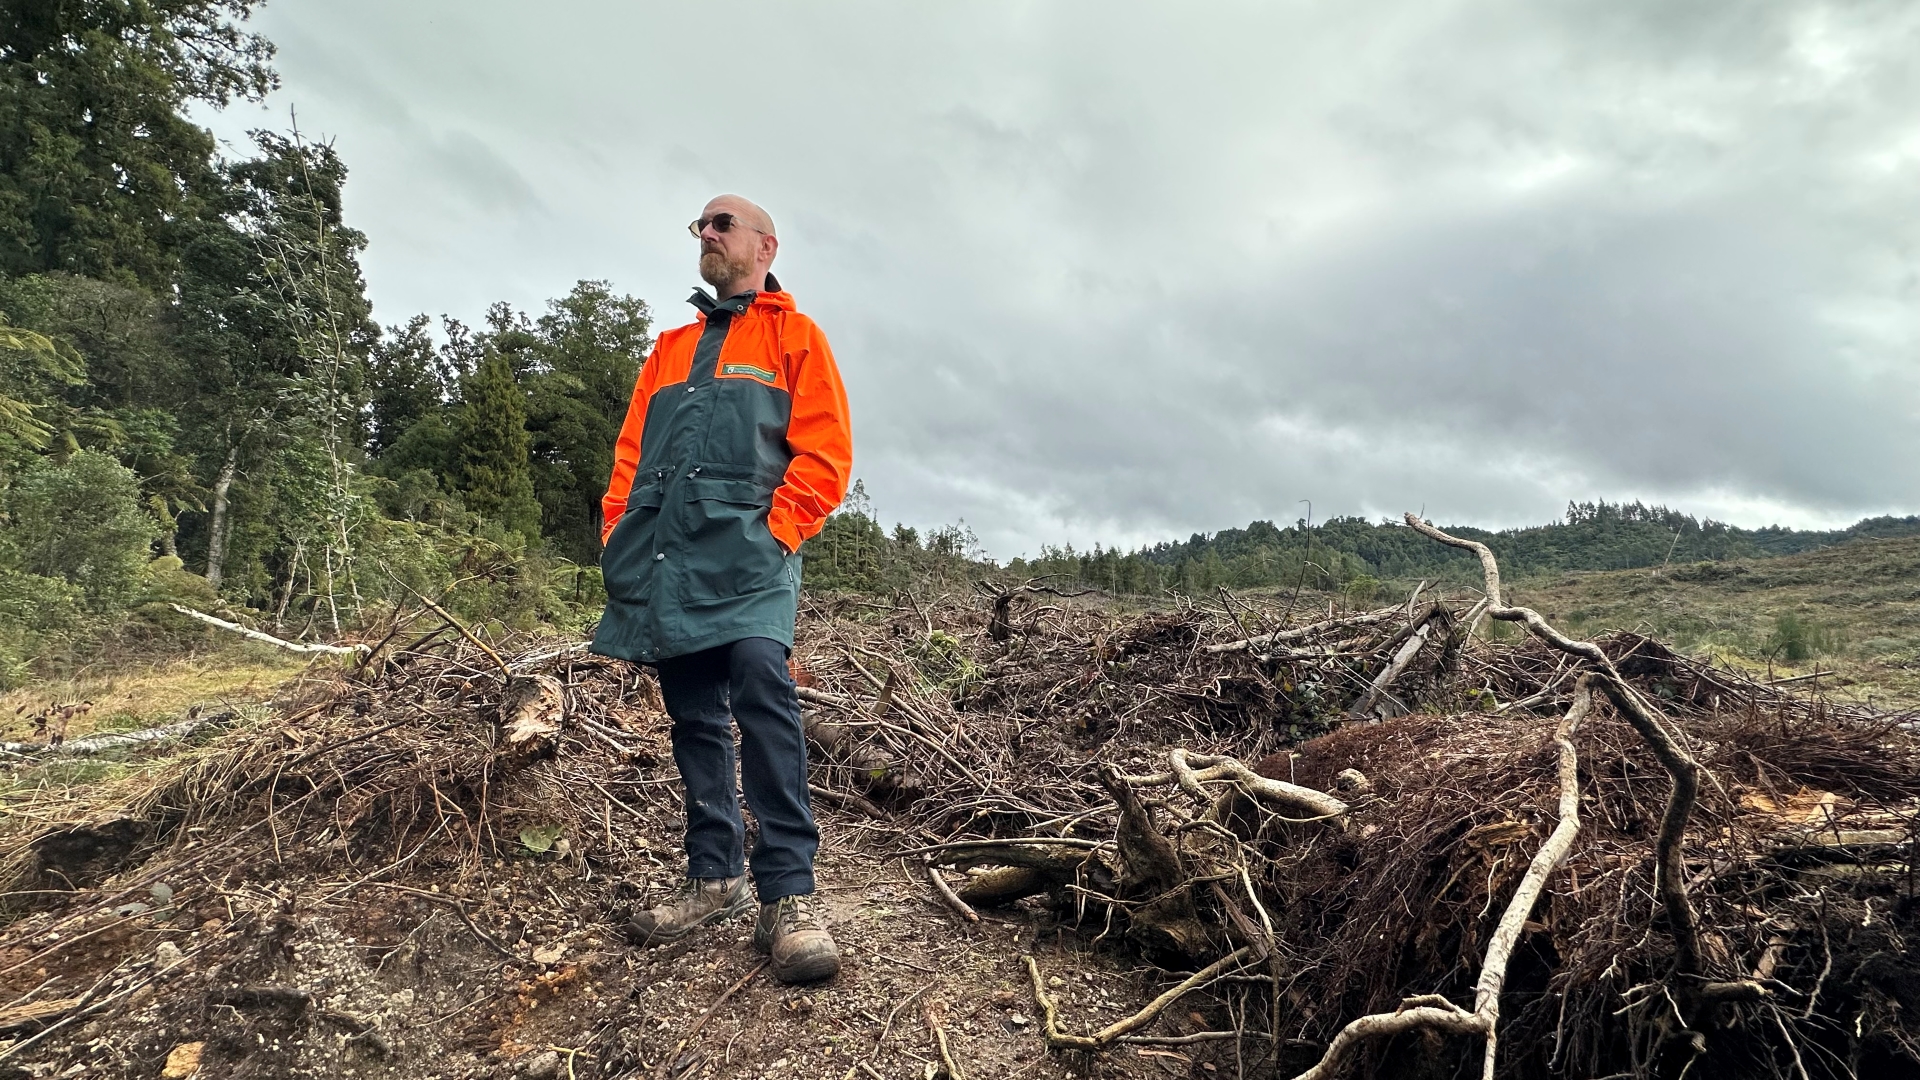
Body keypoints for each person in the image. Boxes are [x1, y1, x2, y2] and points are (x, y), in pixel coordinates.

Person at [592, 195, 852, 983]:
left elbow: (827, 454)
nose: (705, 234)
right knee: (693, 713)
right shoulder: (669, 349)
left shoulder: (795, 338)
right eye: (699, 226)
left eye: (721, 224)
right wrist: (618, 534)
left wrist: (777, 530)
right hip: (669, 557)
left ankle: (788, 895)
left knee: (761, 685)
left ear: (765, 246)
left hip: (750, 556)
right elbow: (630, 458)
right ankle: (713, 878)